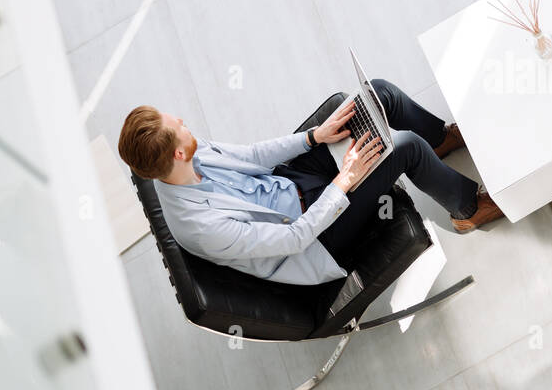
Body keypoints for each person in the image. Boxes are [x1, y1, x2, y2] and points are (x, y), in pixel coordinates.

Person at [117, 79, 502, 286]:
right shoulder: (201, 227)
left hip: (291, 184)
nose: (183, 121)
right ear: (176, 155)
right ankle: (467, 209)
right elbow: (295, 239)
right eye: (177, 126)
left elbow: (251, 156)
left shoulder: (190, 155)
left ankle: (440, 140)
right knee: (403, 147)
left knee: (376, 94)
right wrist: (345, 181)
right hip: (316, 238)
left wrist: (314, 137)